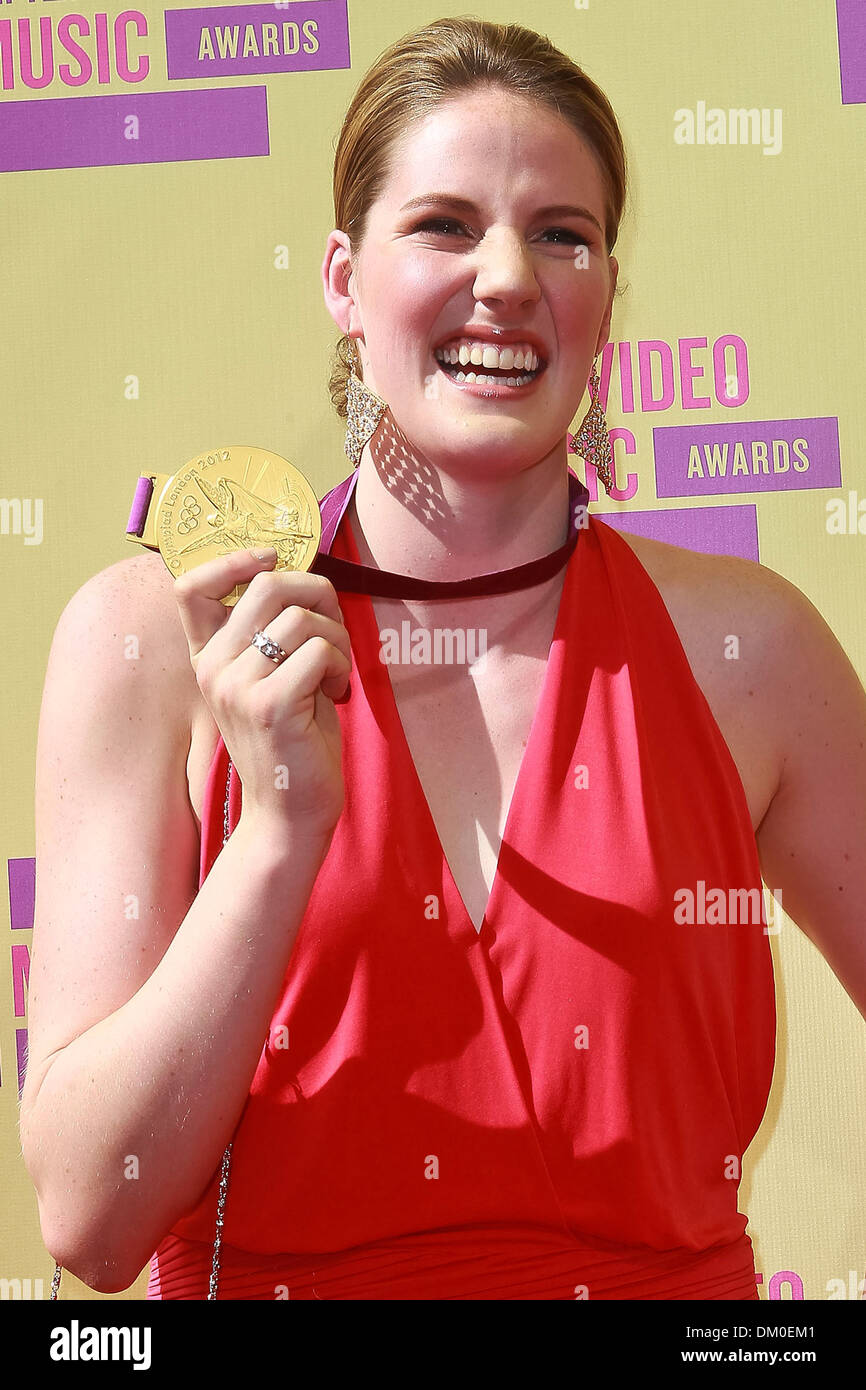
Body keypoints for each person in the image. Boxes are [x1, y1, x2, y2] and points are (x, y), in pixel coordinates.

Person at [20, 17, 866, 1301]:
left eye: (560, 235)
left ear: (605, 293)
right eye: (445, 225)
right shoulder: (152, 637)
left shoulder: (748, 648)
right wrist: (278, 831)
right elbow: (88, 1219)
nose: (508, 276)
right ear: (343, 283)